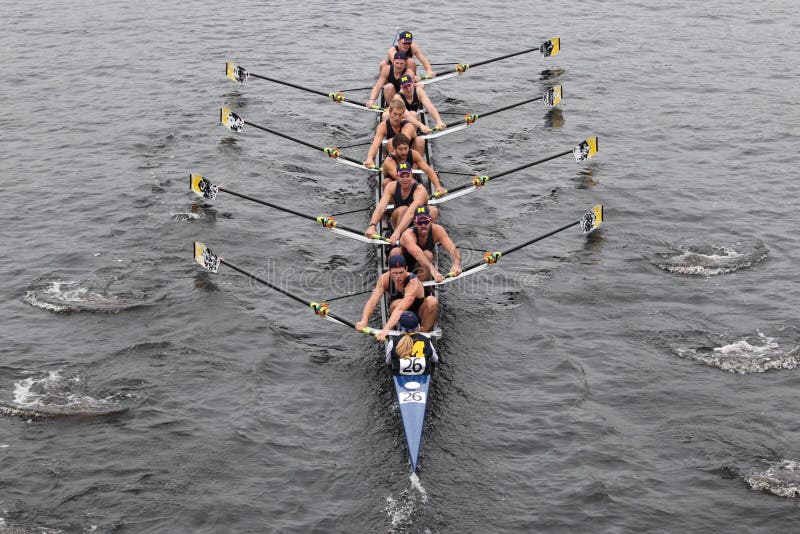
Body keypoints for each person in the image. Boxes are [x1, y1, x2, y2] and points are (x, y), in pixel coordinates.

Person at [355, 255, 438, 340]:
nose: (398, 276)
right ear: (389, 270)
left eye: (401, 272)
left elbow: (401, 308)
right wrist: (364, 320)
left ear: (406, 269)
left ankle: (422, 335)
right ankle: (400, 333)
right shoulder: (384, 279)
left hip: (418, 313)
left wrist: (386, 329)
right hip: (398, 313)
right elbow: (372, 302)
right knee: (396, 304)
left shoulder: (413, 283)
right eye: (395, 273)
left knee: (432, 301)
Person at [364, 162, 437, 244]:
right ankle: (399, 243)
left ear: (411, 174)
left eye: (407, 176)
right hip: (398, 221)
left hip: (419, 222)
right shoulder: (391, 186)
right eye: (402, 176)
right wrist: (372, 225)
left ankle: (425, 240)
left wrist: (397, 232)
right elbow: (381, 207)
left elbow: (411, 212)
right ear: (397, 176)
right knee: (403, 210)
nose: (405, 179)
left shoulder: (420, 190)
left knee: (433, 210)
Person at [390, 205, 462, 283]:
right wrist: (434, 271)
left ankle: (418, 287)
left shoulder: (438, 230)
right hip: (404, 264)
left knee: (428, 255)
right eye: (420, 223)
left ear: (430, 221)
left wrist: (456, 263)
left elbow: (452, 249)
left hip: (422, 266)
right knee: (395, 252)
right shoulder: (408, 235)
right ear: (415, 223)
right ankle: (395, 283)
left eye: (426, 222)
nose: (423, 225)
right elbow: (418, 254)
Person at [364, 99, 426, 167]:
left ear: (403, 115)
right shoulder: (382, 126)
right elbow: (375, 146)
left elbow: (401, 145)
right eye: (395, 114)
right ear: (390, 112)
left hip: (408, 151)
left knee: (420, 141)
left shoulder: (408, 127)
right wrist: (370, 158)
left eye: (400, 115)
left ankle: (414, 171)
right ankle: (395, 169)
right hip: (395, 151)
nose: (397, 118)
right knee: (391, 142)